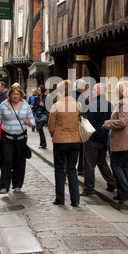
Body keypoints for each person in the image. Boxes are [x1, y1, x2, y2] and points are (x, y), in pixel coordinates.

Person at [0, 85, 35, 194]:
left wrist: (29, 123)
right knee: (7, 160)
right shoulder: (3, 105)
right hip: (7, 137)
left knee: (19, 161)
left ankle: (17, 185)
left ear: (21, 95)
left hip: (20, 137)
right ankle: (4, 186)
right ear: (10, 95)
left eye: (17, 94)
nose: (15, 96)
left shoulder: (25, 106)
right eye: (13, 94)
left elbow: (32, 120)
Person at [104, 80, 128, 204]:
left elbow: (122, 122)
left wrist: (107, 124)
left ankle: (125, 191)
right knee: (123, 164)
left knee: (116, 164)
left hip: (123, 139)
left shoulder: (124, 103)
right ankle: (122, 192)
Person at [48, 79, 81, 207]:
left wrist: (54, 134)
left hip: (60, 140)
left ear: (61, 91)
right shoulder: (77, 105)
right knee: (72, 169)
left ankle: (60, 198)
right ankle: (75, 199)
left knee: (59, 169)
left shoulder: (56, 105)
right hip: (75, 140)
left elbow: (51, 125)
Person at [81, 83, 117, 196]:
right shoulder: (110, 105)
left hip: (92, 138)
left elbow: (87, 121)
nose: (92, 92)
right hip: (104, 138)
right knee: (101, 162)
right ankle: (112, 182)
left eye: (93, 90)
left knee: (89, 164)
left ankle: (89, 188)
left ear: (98, 91)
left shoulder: (93, 104)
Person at [74, 79, 89, 174]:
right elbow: (87, 112)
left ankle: (67, 167)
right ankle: (80, 168)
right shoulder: (82, 98)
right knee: (81, 148)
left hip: (70, 126)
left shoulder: (70, 96)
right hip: (79, 125)